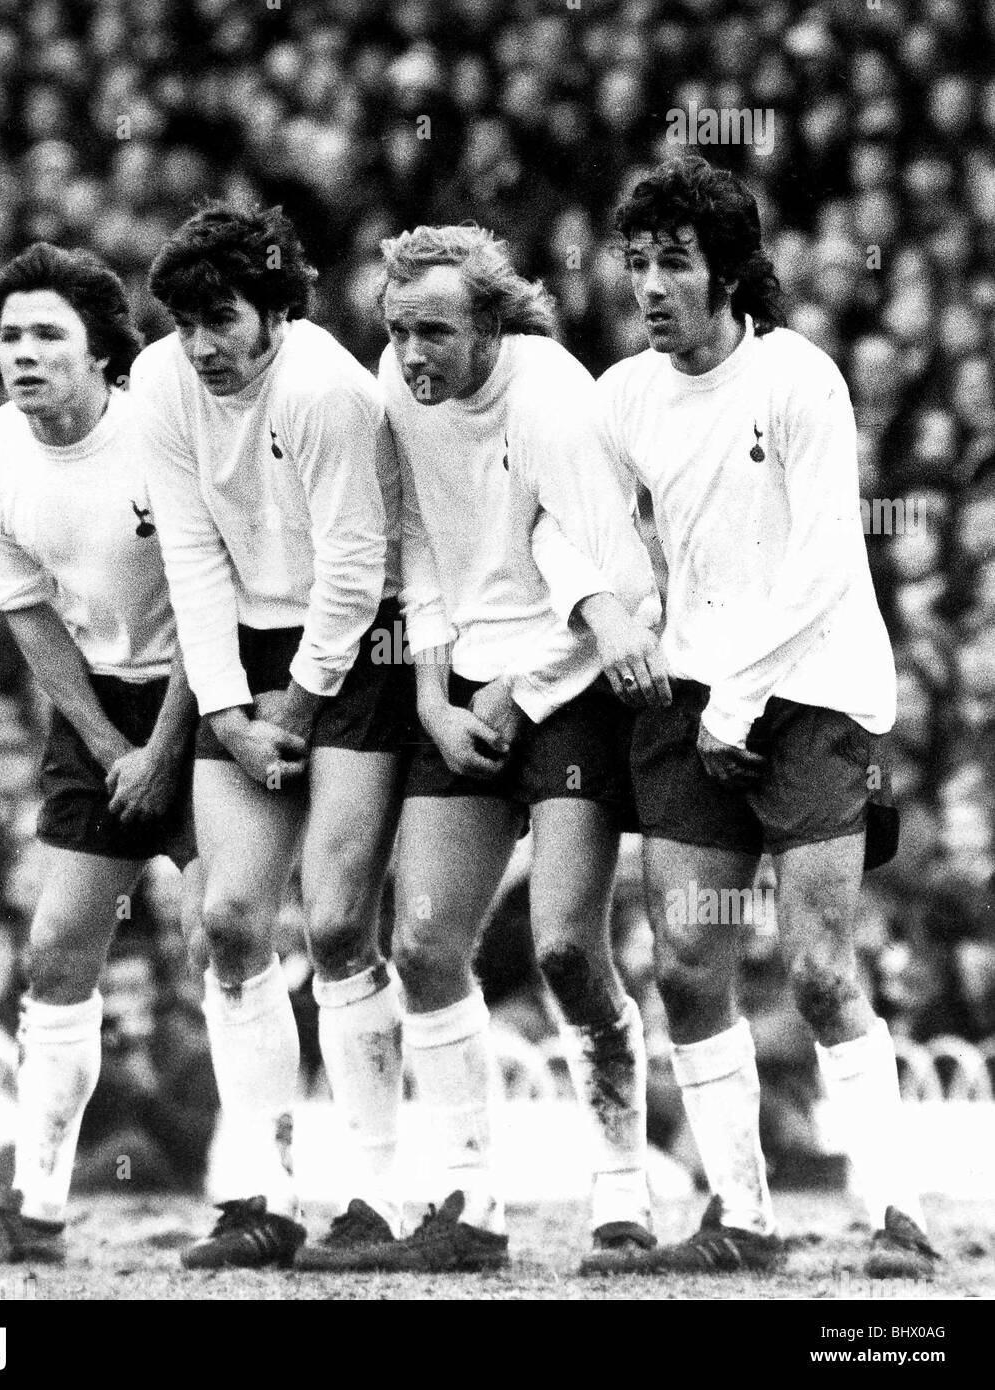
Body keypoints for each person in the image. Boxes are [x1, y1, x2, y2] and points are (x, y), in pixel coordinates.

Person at [579, 155, 936, 1277]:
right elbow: (593, 530)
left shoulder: (800, 379)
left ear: (729, 272)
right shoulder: (621, 395)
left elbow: (825, 559)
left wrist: (738, 703)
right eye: (636, 262)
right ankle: (741, 1218)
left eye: (673, 262)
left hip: (813, 690)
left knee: (822, 969)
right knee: (687, 960)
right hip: (688, 692)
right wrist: (614, 614)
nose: (648, 284)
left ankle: (896, 1214)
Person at [322, 223, 664, 1274]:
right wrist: (429, 687)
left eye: (434, 331)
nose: (412, 353)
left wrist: (524, 689)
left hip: (567, 688)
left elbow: (626, 584)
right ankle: (471, 1208)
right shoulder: (398, 383)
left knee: (566, 944)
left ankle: (622, 1187)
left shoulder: (555, 399)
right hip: (463, 685)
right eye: (399, 329)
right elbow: (421, 533)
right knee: (423, 942)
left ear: (491, 324)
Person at [132, 202, 413, 1270]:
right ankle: (261, 1193)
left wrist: (293, 705)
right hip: (241, 649)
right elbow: (191, 554)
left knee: (341, 924)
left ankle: (378, 1196)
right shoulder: (163, 382)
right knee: (231, 918)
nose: (202, 344)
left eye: (222, 319)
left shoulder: (327, 390)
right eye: (187, 321)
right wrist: (222, 711)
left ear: (276, 308)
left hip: (355, 646)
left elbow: (353, 564)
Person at [0, 243, 198, 1265]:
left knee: (230, 932)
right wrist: (105, 742)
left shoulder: (162, 438)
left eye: (48, 335)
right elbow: (33, 622)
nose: (24, 354)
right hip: (96, 711)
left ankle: (270, 1194)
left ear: (100, 354)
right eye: (10, 336)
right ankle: (34, 1210)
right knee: (55, 951)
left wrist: (165, 745)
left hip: (205, 687)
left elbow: (209, 602)